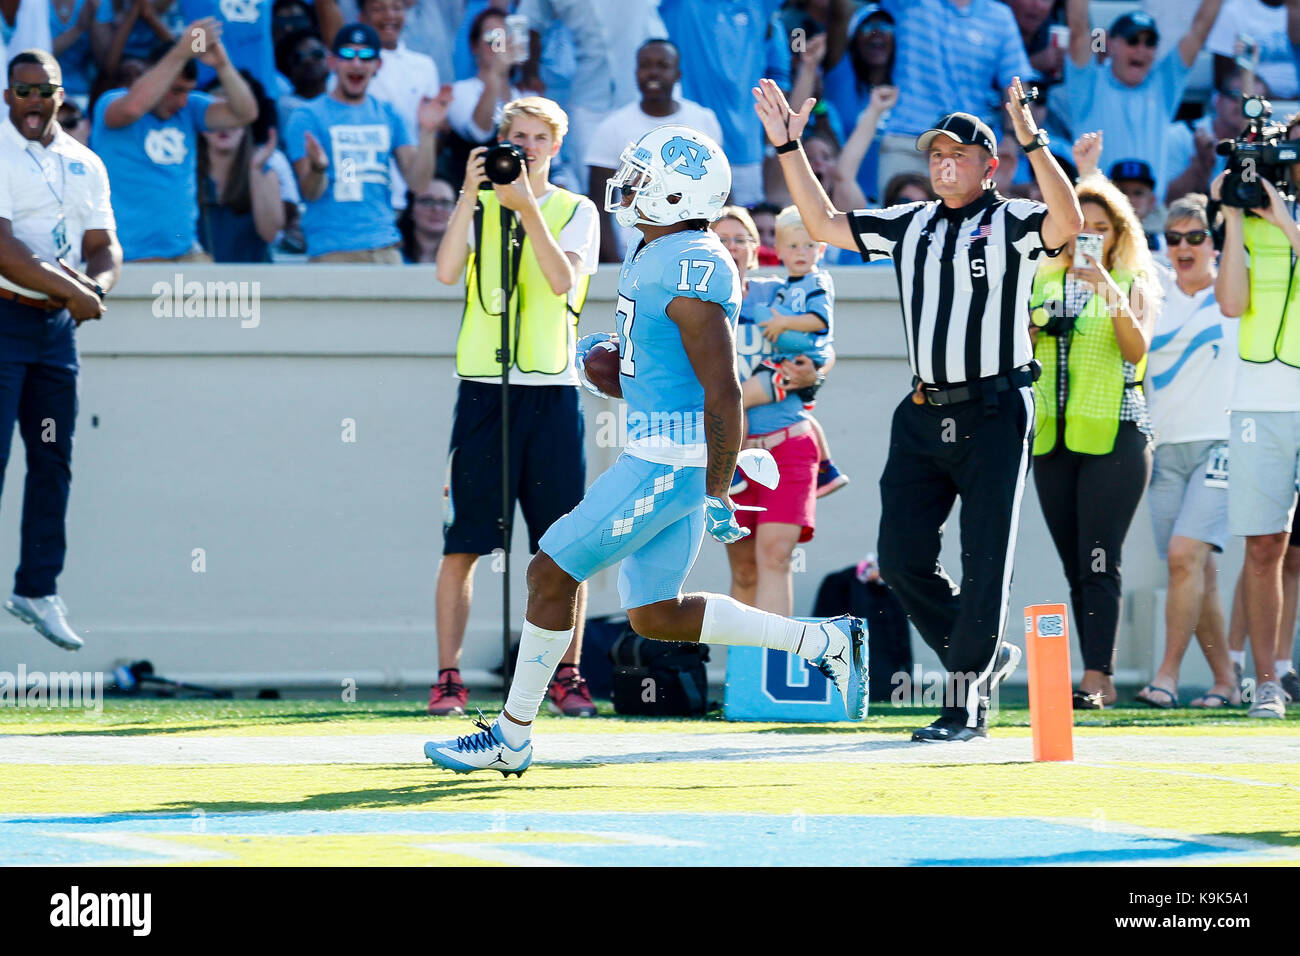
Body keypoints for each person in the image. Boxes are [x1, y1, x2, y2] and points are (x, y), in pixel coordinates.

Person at [423, 124, 868, 776]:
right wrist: (617, 365)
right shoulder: (660, 249)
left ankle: (512, 734)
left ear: (673, 193)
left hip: (669, 461)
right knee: (656, 613)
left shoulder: (691, 262)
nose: (627, 186)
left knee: (549, 572)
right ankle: (818, 640)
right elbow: (671, 366)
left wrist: (717, 488)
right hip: (665, 452)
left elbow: (721, 394)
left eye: (642, 177)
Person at [756, 74, 1083, 740]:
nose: (942, 163)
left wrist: (1035, 140)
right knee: (900, 558)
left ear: (990, 166)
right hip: (923, 412)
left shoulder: (1012, 219)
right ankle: (981, 657)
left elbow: (1068, 222)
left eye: (957, 154)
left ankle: (965, 706)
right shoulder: (910, 225)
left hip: (996, 406)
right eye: (935, 154)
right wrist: (790, 149)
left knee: (986, 558)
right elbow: (821, 223)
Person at [431, 96, 598, 718]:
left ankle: (567, 674)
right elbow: (447, 272)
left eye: (537, 138)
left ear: (556, 147)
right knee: (463, 543)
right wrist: (467, 199)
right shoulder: (478, 208)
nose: (525, 147)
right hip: (483, 389)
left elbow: (563, 280)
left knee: (565, 545)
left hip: (550, 393)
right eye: (515, 137)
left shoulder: (576, 210)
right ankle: (448, 676)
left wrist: (527, 210)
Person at [0, 50, 119, 650]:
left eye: (43, 91)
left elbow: (104, 246)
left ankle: (36, 588)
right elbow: (5, 251)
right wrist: (78, 292)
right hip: (3, 316)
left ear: (60, 95)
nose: (32, 101)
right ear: (6, 94)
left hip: (55, 333)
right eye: (21, 90)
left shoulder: (85, 161)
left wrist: (93, 288)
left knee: (52, 460)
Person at [1030, 172, 1158, 709]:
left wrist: (1103, 283)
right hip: (1052, 437)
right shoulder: (1038, 281)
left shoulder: (1132, 282)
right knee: (1074, 563)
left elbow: (1136, 349)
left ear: (1118, 234)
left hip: (1116, 436)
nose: (1090, 237)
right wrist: (1031, 329)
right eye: (1080, 227)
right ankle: (1099, 675)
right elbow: (1013, 348)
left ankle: (1092, 677)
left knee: (1100, 557)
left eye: (1100, 228)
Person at [1138, 194, 1239, 707]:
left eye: (1195, 237)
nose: (1182, 246)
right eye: (1173, 237)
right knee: (1196, 575)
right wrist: (1088, 175)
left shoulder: (1233, 293)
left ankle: (1167, 676)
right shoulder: (1153, 288)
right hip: (1164, 449)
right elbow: (1113, 239)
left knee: (1183, 559)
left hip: (1220, 446)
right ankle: (1226, 679)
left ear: (1214, 244)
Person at [1212, 152, 1300, 718]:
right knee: (1264, 544)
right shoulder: (1246, 220)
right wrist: (1237, 214)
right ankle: (1267, 682)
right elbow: (1231, 302)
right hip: (1259, 403)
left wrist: (1284, 222)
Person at [713, 205, 833, 615]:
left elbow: (824, 348)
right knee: (745, 569)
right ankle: (744, 677)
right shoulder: (692, 308)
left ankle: (772, 673)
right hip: (731, 454)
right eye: (721, 239)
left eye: (740, 239)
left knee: (776, 556)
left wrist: (815, 371)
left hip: (787, 444)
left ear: (755, 248)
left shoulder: (775, 294)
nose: (731, 248)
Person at [91, 19, 259, 262]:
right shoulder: (112, 103)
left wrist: (222, 65)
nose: (182, 101)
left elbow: (246, 114)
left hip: (185, 252)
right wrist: (181, 50)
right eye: (176, 90)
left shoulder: (190, 108)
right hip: (128, 255)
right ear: (152, 74)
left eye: (187, 91)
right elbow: (134, 108)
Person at [285, 22, 447, 262]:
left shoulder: (390, 114)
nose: (357, 63)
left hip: (385, 247)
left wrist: (427, 132)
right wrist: (319, 167)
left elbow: (418, 183)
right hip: (332, 250)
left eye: (366, 55)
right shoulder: (306, 116)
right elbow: (310, 192)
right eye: (348, 54)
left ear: (377, 65)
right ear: (333, 63)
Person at [1063, 0, 1224, 198]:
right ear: (1111, 44)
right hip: (1096, 215)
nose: (1141, 48)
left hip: (1151, 219)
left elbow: (1199, 31)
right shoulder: (1087, 84)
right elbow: (1078, 28)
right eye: (1132, 40)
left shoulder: (1164, 85)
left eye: (1149, 43)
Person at [871, 0, 1030, 200]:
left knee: (966, 229)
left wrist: (1010, 137)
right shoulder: (908, 3)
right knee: (898, 226)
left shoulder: (1000, 16)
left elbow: (1015, 84)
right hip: (907, 143)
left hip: (967, 149)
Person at [586, 38, 721, 264]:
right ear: (636, 71)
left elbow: (719, 192)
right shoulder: (612, 127)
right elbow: (599, 202)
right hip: (632, 249)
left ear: (678, 74)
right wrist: (615, 261)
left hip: (691, 247)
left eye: (663, 65)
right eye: (646, 65)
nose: (653, 73)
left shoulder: (703, 121)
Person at [657, 0, 789, 206]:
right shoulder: (681, 5)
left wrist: (768, 143)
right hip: (690, 155)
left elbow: (780, 79)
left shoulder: (760, 6)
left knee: (742, 234)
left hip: (745, 153)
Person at [196, 74, 286, 262]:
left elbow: (270, 233)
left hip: (252, 287)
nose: (224, 125)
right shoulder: (186, 177)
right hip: (197, 286)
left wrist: (255, 171)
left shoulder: (264, 173)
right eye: (216, 116)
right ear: (201, 126)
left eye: (232, 115)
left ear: (246, 124)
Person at [397, 176, 454, 263]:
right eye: (427, 201)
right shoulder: (391, 253)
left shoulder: (468, 255)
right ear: (410, 209)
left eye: (445, 203)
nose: (437, 209)